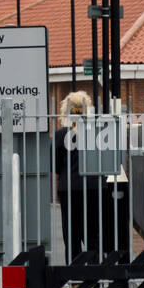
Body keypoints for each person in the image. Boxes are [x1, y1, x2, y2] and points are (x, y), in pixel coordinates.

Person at [54, 91, 93, 261]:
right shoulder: (94, 133)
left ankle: (75, 280)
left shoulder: (60, 135)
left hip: (68, 187)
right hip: (92, 186)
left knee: (71, 235)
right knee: (93, 233)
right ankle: (96, 277)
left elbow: (55, 165)